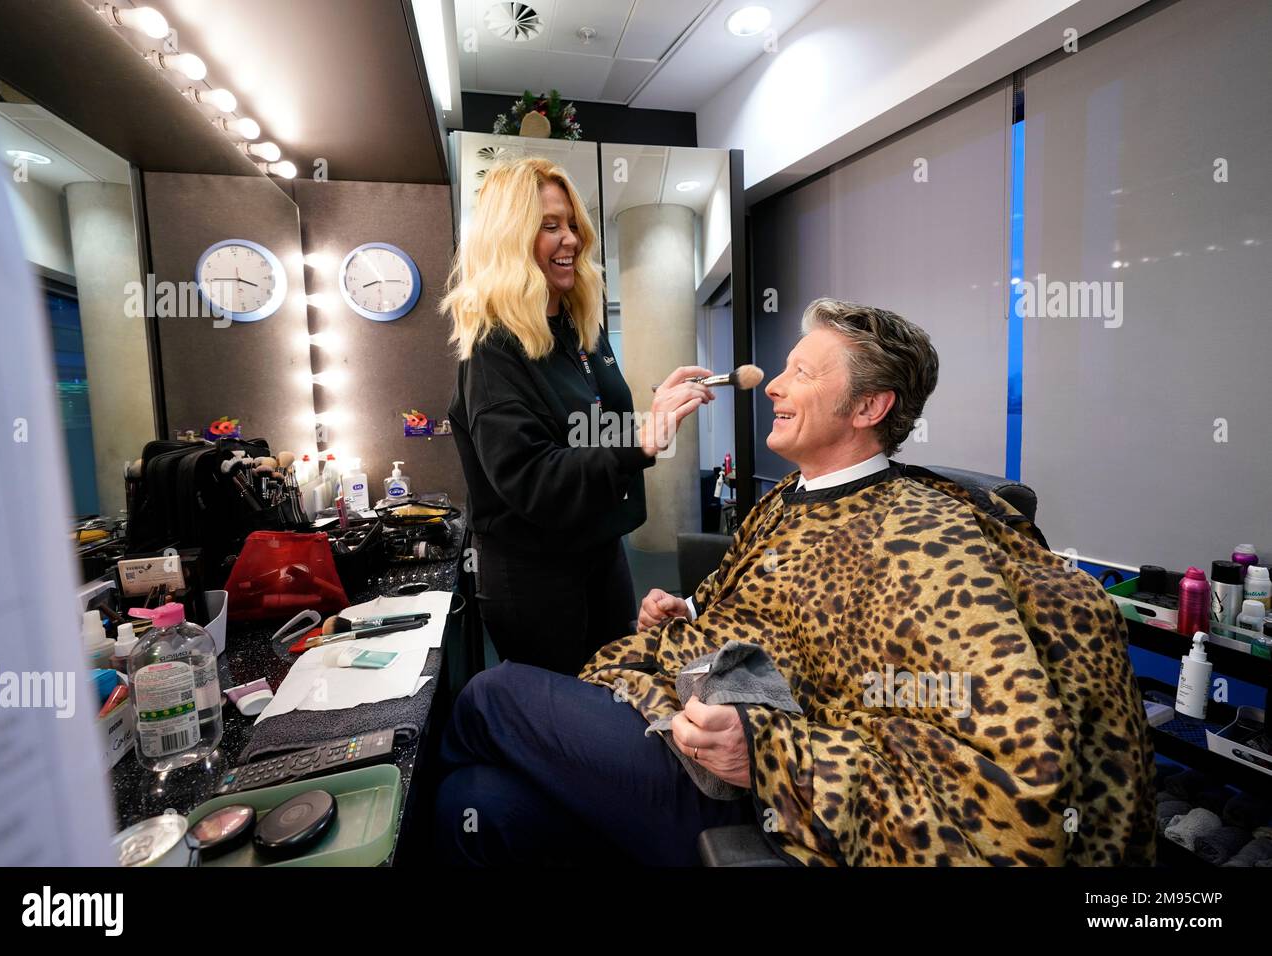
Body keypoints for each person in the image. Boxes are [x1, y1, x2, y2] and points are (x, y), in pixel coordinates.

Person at [434, 298, 1155, 867]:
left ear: (870, 408)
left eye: (803, 374)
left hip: (768, 804)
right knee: (476, 805)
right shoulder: (789, 497)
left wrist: (773, 759)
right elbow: (760, 605)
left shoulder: (928, 550)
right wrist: (687, 609)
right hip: (690, 723)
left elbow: (1011, 800)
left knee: (492, 693)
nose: (773, 384)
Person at [443, 157, 713, 676]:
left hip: (600, 551)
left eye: (572, 224)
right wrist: (642, 440)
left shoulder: (578, 330)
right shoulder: (493, 350)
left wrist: (652, 415)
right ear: (511, 239)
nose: (571, 239)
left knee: (619, 686)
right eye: (550, 226)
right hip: (535, 577)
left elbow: (594, 427)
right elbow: (531, 477)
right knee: (569, 723)